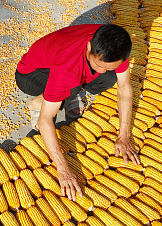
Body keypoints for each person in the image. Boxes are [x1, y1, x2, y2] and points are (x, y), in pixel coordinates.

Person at [15, 23, 140, 201]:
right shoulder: (67, 69)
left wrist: (124, 135)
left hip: (63, 60)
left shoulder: (115, 44)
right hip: (31, 74)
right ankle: (38, 101)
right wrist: (63, 168)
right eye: (98, 65)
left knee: (108, 79)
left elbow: (124, 87)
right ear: (89, 46)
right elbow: (45, 120)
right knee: (70, 86)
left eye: (109, 66)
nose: (102, 70)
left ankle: (65, 94)